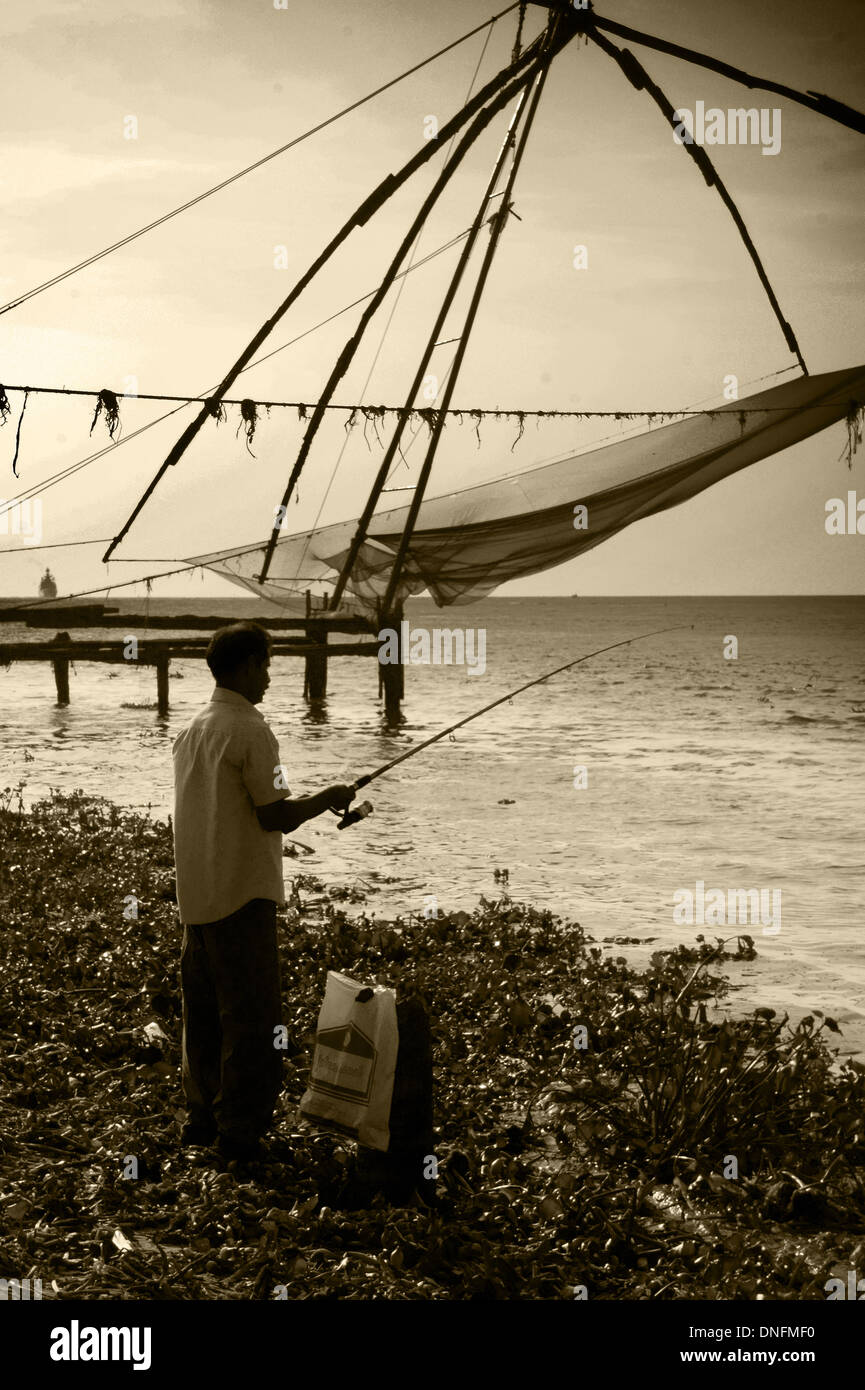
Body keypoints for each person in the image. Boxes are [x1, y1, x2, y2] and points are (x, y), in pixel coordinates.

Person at [171, 620, 354, 1161]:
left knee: (202, 1017)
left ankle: (201, 1120)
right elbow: (276, 815)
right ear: (248, 666)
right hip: (243, 897)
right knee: (253, 1021)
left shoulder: (192, 729)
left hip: (197, 897)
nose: (271, 677)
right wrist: (331, 795)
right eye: (267, 664)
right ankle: (240, 1134)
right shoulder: (251, 730)